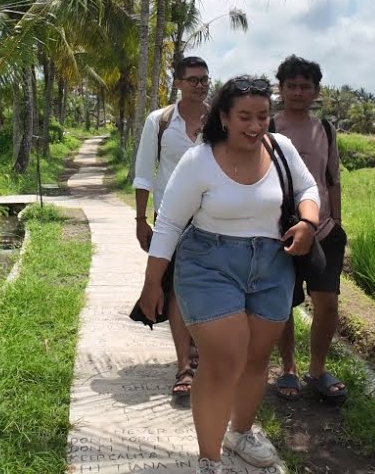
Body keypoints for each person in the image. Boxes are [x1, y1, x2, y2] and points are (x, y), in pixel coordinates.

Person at [137, 76, 321, 474]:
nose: (255, 126)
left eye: (261, 116)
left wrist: (307, 222)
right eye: (244, 117)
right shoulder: (200, 160)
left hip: (272, 265)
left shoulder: (281, 149)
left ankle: (239, 433)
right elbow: (168, 223)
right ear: (223, 117)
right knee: (225, 359)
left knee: (256, 360)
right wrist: (153, 282)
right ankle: (209, 458)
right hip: (209, 263)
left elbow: (308, 189)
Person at [269, 55, 348, 404]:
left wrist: (338, 226)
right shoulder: (268, 125)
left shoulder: (326, 129)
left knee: (327, 302)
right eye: (291, 86)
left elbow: (332, 180)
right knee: (284, 303)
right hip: (280, 229)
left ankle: (317, 369)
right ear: (281, 89)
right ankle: (288, 368)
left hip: (324, 229)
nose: (298, 92)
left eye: (305, 86)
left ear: (316, 91)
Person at [132, 55, 210, 401]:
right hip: (171, 219)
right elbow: (144, 172)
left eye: (204, 79)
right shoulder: (160, 121)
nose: (200, 85)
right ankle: (184, 366)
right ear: (177, 82)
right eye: (193, 79)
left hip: (213, 220)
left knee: (207, 290)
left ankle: (203, 355)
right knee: (177, 288)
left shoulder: (219, 121)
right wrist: (140, 219)